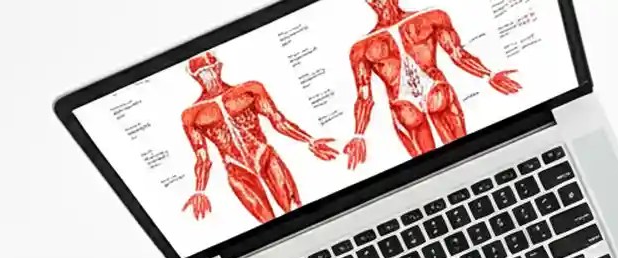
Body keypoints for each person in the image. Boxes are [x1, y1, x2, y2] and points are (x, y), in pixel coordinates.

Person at [344, 0, 521, 170]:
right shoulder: (431, 17)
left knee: (456, 161)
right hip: (415, 102)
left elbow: (364, 96)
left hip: (419, 99)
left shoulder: (363, 47)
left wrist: (488, 75)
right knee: (441, 166)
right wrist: (358, 135)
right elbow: (458, 55)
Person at [181, 52, 338, 223]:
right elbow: (202, 157)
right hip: (236, 168)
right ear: (194, 77)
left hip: (264, 155)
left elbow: (278, 121)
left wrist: (310, 140)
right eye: (202, 72)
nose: (208, 76)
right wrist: (199, 191)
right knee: (268, 224)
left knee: (295, 211)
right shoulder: (191, 114)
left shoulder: (250, 90)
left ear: (219, 66)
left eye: (210, 68)